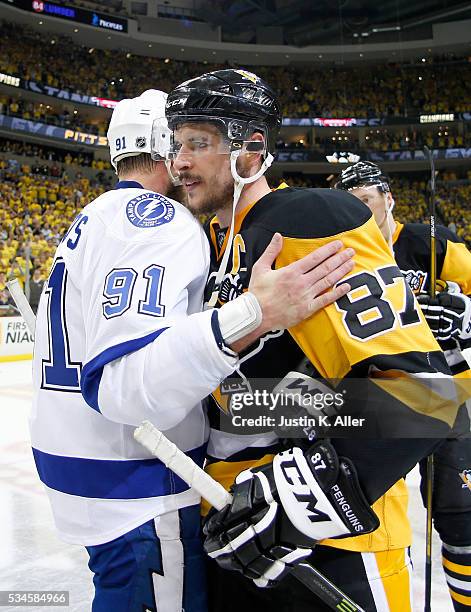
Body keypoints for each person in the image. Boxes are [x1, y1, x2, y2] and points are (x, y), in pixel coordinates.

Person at [30, 89, 354, 612]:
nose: (186, 163)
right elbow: (124, 385)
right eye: (182, 144)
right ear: (168, 148)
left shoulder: (93, 218)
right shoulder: (161, 221)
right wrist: (254, 314)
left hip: (84, 471)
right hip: (137, 484)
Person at [163, 69, 465, 612]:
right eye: (176, 144)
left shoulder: (307, 220)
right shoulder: (203, 241)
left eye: (198, 143)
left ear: (251, 151)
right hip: (236, 528)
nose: (178, 161)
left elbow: (419, 397)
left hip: (333, 545)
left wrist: (295, 498)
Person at [335, 160, 471, 612]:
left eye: (367, 201)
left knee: (458, 516)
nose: (359, 212)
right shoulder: (341, 256)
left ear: (389, 198)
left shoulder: (426, 243)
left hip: (443, 396)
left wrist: (464, 313)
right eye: (349, 205)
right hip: (379, 404)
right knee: (373, 517)